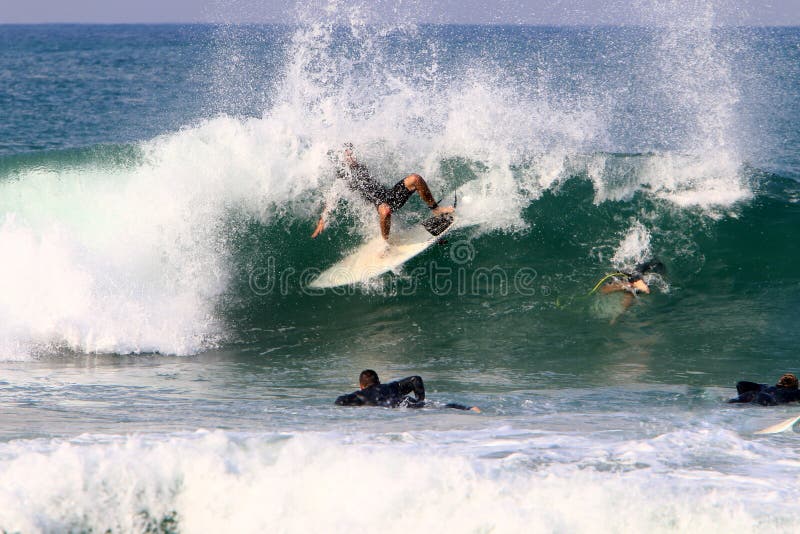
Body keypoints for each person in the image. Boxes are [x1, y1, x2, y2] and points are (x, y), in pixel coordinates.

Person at [311, 144, 454, 241]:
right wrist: (322, 220)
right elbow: (333, 197)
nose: (351, 157)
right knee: (385, 210)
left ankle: (436, 209)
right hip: (378, 204)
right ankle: (385, 242)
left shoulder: (362, 167)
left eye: (352, 154)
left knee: (415, 178)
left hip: (389, 195)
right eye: (347, 155)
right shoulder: (343, 175)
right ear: (343, 158)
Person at [334, 369, 481, 412]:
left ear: (361, 385)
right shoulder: (390, 386)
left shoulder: (359, 395)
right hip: (406, 402)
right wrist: (420, 400)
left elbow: (340, 401)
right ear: (378, 381)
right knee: (442, 406)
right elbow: (415, 379)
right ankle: (469, 408)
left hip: (390, 408)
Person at [597, 259, 665, 323]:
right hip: (634, 277)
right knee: (629, 290)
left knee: (630, 293)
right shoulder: (635, 278)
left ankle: (617, 315)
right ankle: (617, 315)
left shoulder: (638, 280)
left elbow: (645, 290)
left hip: (638, 276)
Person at [727, 373, 800, 406]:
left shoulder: (766, 387)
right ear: (795, 385)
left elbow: (741, 384)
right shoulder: (794, 392)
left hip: (750, 394)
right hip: (766, 398)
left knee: (732, 404)